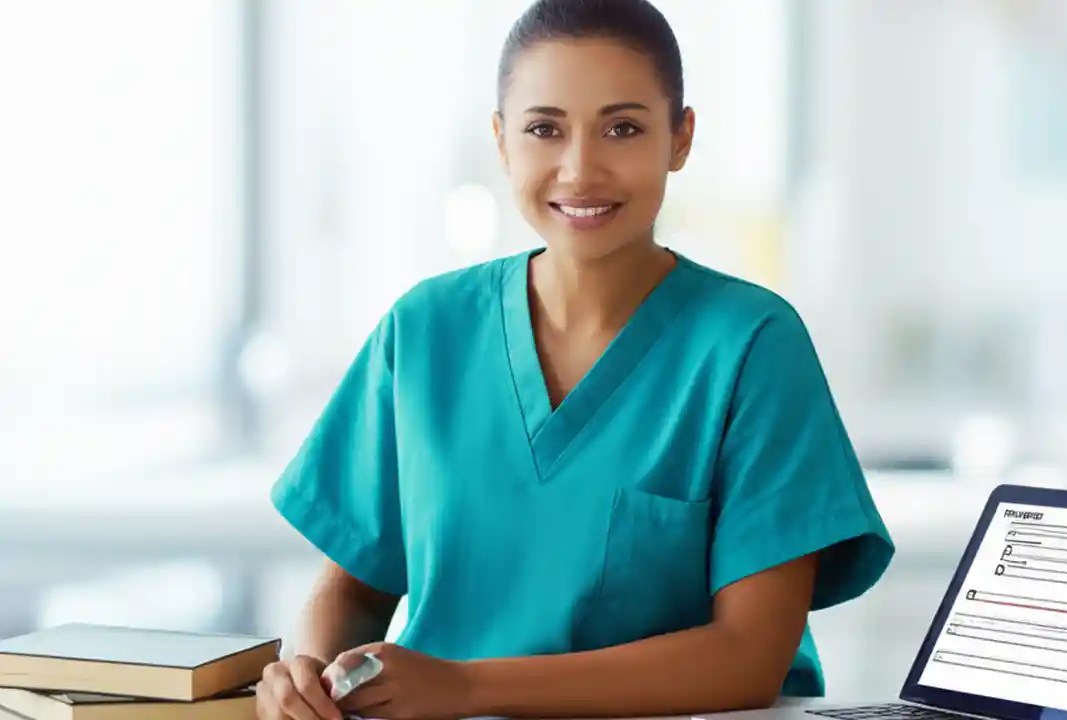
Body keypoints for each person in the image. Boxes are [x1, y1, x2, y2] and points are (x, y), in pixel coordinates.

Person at [255, 1, 894, 718]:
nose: (581, 169)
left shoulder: (752, 345)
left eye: (622, 128)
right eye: (544, 129)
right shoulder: (424, 329)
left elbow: (748, 657)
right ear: (502, 141)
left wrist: (466, 687)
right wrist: (308, 678)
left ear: (680, 138)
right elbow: (354, 590)